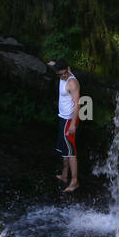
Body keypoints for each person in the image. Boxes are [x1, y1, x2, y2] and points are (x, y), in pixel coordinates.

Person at [49, 60, 81, 192]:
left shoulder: (72, 82)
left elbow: (78, 104)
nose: (63, 76)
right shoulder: (61, 74)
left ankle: (74, 181)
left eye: (65, 73)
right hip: (62, 118)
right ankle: (64, 175)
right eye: (60, 75)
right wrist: (52, 64)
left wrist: (73, 124)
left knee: (71, 151)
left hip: (69, 120)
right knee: (64, 149)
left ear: (69, 69)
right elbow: (54, 66)